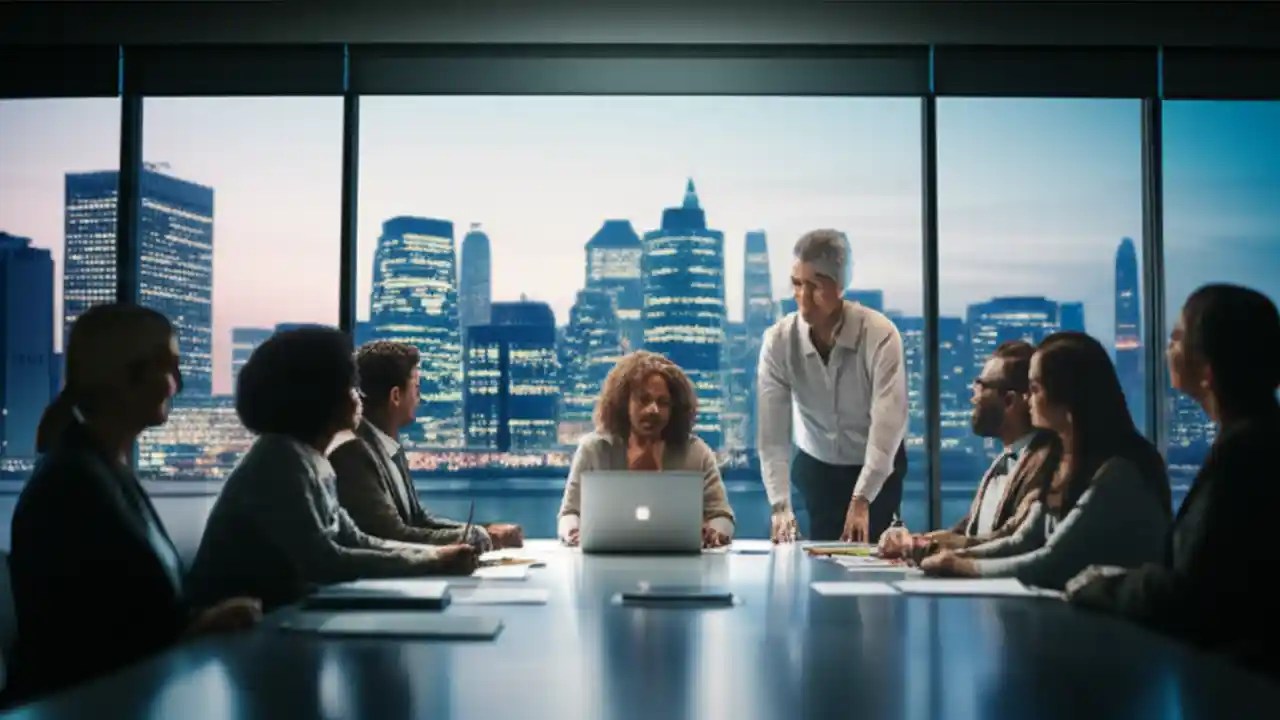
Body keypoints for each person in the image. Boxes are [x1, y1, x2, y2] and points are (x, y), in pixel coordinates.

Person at [5, 304, 260, 704]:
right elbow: (83, 642)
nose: (180, 383)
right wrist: (194, 630)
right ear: (125, 375)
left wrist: (198, 624)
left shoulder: (101, 469)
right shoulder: (74, 484)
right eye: (169, 367)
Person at [1067, 285, 1280, 680]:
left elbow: (1196, 594)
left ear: (1207, 370)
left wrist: (1106, 587)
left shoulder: (1244, 455)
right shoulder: (1255, 440)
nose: (1166, 348)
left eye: (1177, 337)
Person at [185, 327, 475, 611]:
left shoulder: (311, 459)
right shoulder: (280, 461)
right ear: (319, 397)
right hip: (232, 632)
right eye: (350, 387)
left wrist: (435, 555)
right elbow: (326, 561)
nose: (358, 397)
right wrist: (432, 560)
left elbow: (356, 540)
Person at [920, 332, 1171, 590]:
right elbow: (1022, 541)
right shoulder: (1065, 465)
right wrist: (949, 558)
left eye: (1035, 389)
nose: (1026, 398)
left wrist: (960, 566)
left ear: (1068, 396)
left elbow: (1052, 561)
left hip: (1122, 627)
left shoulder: (1118, 472)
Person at [757, 229, 908, 543]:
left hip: (876, 462)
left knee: (871, 553)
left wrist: (862, 499)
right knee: (821, 556)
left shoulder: (879, 335)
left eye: (816, 285)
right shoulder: (779, 341)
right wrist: (780, 505)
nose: (803, 296)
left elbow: (888, 428)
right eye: (797, 284)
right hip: (817, 466)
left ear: (840, 286)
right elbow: (772, 436)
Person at [330, 341, 523, 552]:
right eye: (416, 388)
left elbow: (418, 519)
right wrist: (478, 538)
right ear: (395, 396)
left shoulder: (389, 448)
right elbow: (392, 534)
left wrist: (480, 532)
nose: (419, 398)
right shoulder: (354, 454)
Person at [879, 341, 1060, 558]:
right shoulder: (1004, 462)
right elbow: (965, 533)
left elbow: (1009, 540)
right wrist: (912, 540)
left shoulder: (1044, 464)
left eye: (981, 386)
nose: (973, 397)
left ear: (1010, 400)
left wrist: (921, 547)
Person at [557, 351, 735, 548]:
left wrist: (716, 532)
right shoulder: (593, 449)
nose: (653, 410)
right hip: (605, 567)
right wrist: (572, 531)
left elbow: (722, 515)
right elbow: (569, 513)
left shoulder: (697, 452)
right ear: (624, 403)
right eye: (644, 399)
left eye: (663, 402)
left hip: (680, 568)